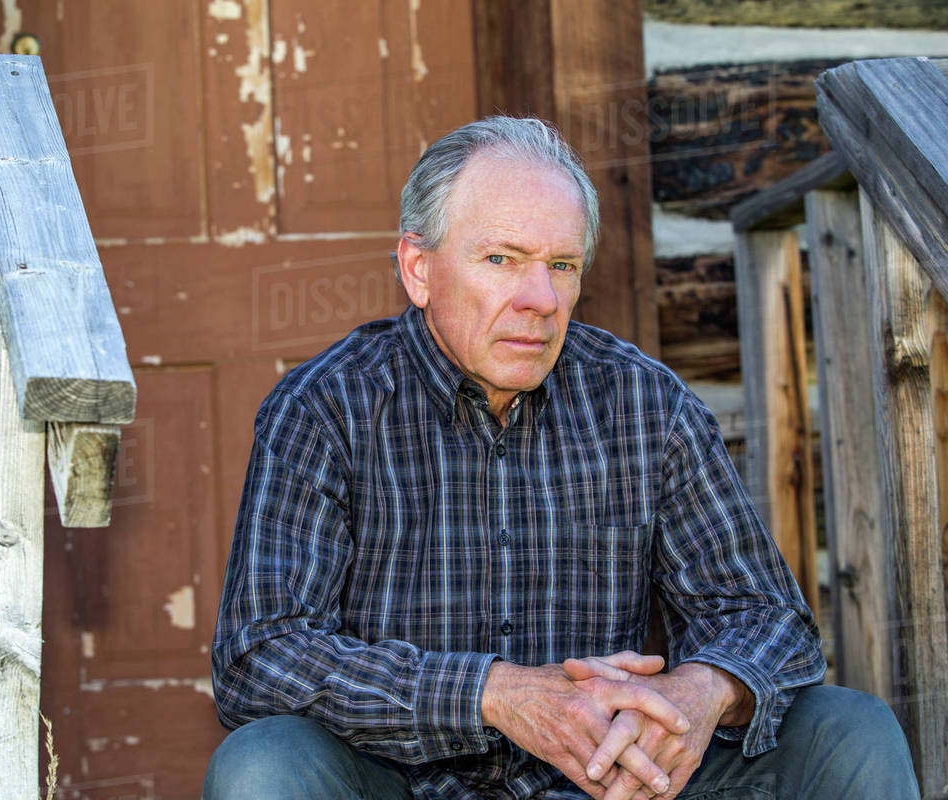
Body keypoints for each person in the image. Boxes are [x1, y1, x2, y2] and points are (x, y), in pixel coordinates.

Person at [204, 117, 918, 800]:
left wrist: (695, 694)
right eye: (501, 260)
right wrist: (496, 694)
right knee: (263, 765)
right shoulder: (325, 407)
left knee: (848, 734)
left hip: (612, 778)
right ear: (418, 269)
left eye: (562, 265)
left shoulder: (642, 402)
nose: (540, 299)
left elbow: (771, 620)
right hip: (401, 780)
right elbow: (258, 656)